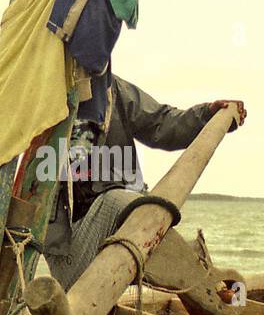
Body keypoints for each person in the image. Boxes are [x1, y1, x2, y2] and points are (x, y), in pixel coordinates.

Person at [43, 75, 246, 290]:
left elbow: (161, 123)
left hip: (115, 204)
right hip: (64, 229)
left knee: (131, 206)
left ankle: (203, 289)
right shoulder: (38, 87)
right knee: (80, 314)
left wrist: (206, 115)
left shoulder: (111, 88)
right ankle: (202, 290)